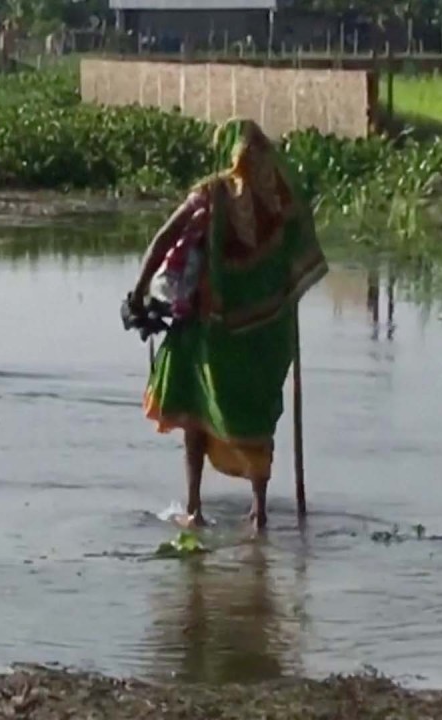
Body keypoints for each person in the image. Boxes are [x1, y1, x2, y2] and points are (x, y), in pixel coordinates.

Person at [127, 119, 328, 531]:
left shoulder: (211, 195)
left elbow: (167, 237)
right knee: (256, 415)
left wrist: (138, 291)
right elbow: (298, 264)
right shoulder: (282, 203)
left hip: (210, 329)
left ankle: (195, 507)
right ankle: (259, 510)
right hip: (267, 334)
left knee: (195, 415)